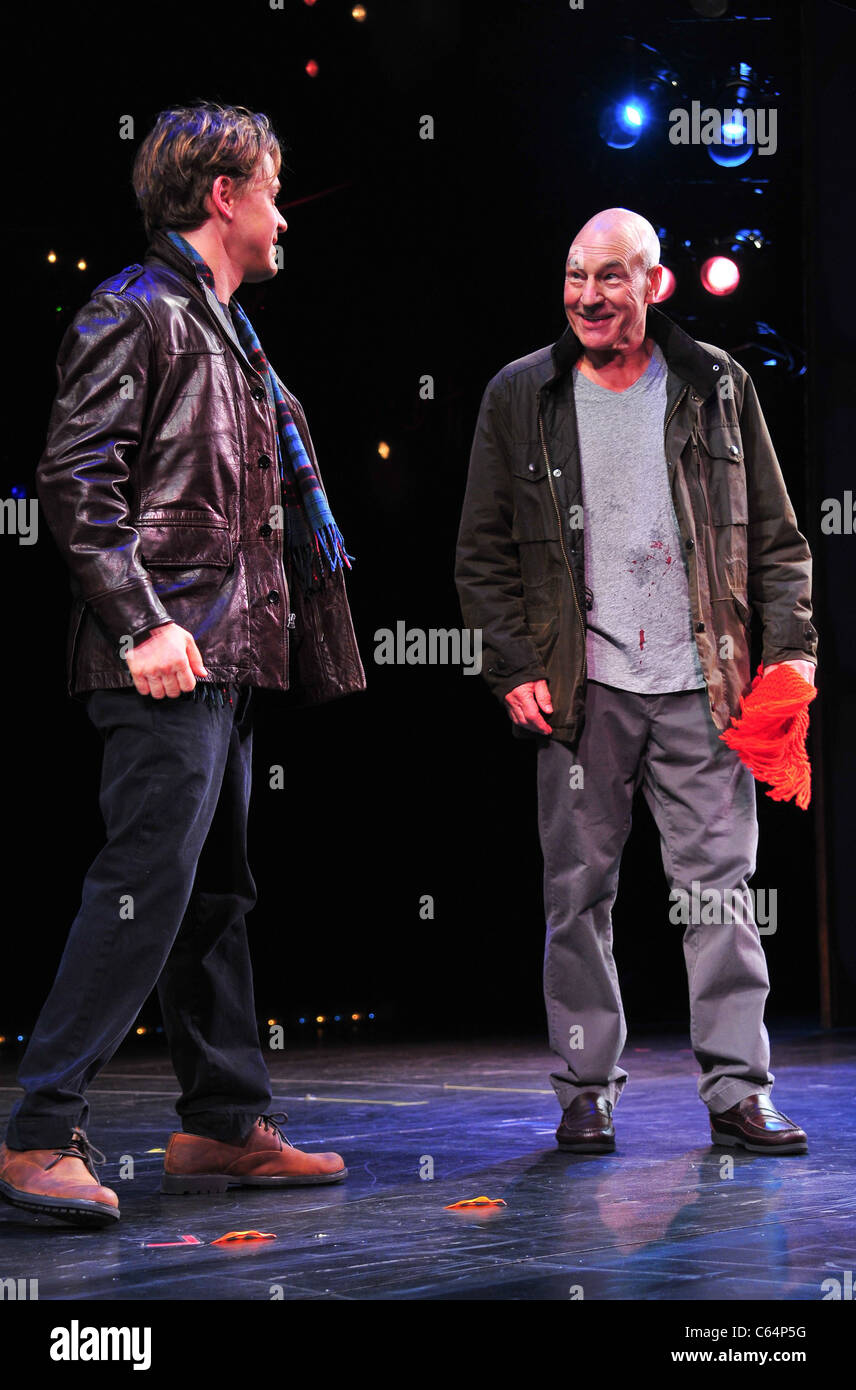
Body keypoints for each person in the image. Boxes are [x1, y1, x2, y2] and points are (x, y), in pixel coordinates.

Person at [0, 103, 365, 1226]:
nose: (279, 209)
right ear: (223, 196)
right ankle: (36, 1129)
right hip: (165, 650)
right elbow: (76, 482)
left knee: (212, 892)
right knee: (143, 886)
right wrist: (145, 622)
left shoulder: (226, 330)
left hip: (223, 654)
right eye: (270, 187)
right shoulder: (139, 309)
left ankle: (218, 1120)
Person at [455, 207, 817, 1156]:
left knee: (719, 895)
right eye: (576, 276)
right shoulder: (520, 396)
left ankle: (739, 1093)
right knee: (577, 897)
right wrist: (513, 664)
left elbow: (777, 540)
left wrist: (793, 655)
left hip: (707, 683)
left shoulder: (717, 386)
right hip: (587, 690)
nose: (588, 296)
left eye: (611, 277)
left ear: (655, 285)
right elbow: (481, 552)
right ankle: (585, 1093)